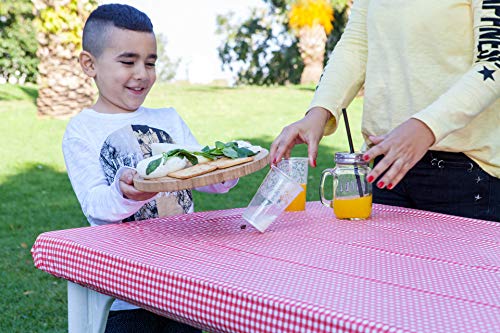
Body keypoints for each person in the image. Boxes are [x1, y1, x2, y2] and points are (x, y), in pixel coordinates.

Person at [62, 4, 237, 332]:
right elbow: (98, 206)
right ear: (90, 64)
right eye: (128, 62)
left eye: (151, 62)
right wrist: (126, 191)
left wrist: (227, 168)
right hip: (127, 294)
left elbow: (202, 175)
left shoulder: (168, 118)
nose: (142, 73)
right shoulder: (82, 131)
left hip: (184, 281)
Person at [270, 0, 500, 222]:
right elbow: (356, 44)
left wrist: (427, 126)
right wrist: (319, 112)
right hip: (384, 167)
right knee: (378, 264)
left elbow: (494, 63)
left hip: (465, 175)